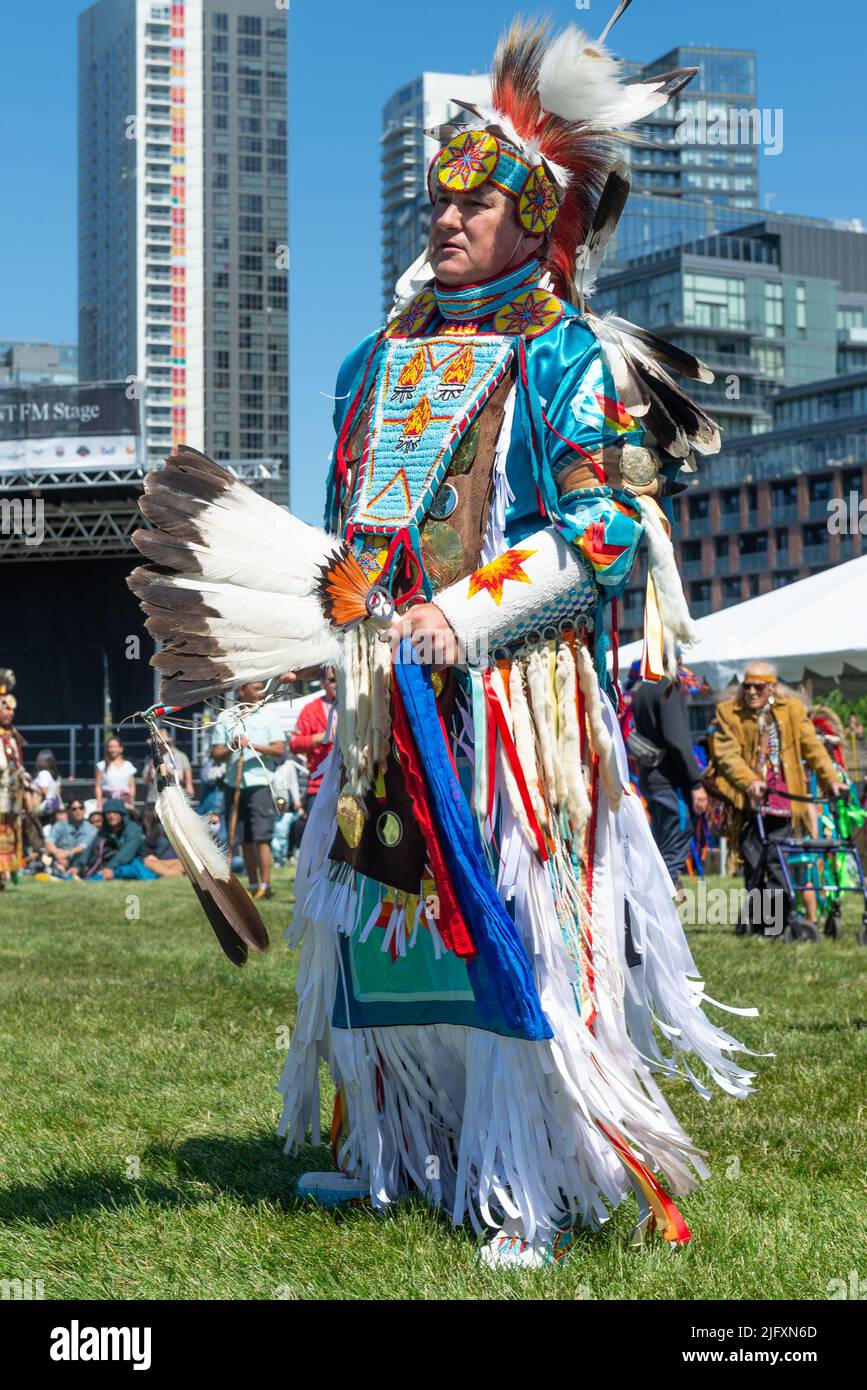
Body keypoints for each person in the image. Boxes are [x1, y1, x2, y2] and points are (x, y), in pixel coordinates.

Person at [127, 10, 757, 1266]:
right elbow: (342, 534)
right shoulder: (374, 362)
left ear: (536, 220)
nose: (448, 217)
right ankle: (396, 1155)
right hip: (380, 702)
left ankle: (527, 1178)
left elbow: (605, 533)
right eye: (439, 199)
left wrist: (462, 615)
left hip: (510, 707)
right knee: (379, 925)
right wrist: (319, 649)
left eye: (480, 202)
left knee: (508, 922)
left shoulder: (566, 356)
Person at [711, 664, 845, 937]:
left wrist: (831, 778)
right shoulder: (728, 712)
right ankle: (758, 922)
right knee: (754, 861)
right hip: (747, 803)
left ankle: (776, 923)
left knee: (776, 861)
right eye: (747, 686)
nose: (750, 692)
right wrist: (749, 781)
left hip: (783, 802)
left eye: (758, 687)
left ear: (771, 687)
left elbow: (813, 747)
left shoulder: (792, 710)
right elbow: (726, 754)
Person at [630, 667, 708, 888]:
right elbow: (678, 741)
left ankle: (658, 905)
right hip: (671, 782)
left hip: (652, 779)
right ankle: (663, 910)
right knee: (673, 847)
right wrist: (695, 781)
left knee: (662, 845)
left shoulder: (643, 688)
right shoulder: (668, 689)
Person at [211, 682, 285, 900]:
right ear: (241, 690)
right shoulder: (225, 717)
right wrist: (232, 745)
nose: (261, 692)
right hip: (234, 783)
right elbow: (216, 753)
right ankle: (252, 885)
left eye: (262, 687)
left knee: (261, 836)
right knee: (243, 837)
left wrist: (251, 745)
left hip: (260, 783)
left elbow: (280, 749)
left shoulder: (268, 716)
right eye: (256, 687)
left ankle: (265, 885)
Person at [289, 669, 337, 818]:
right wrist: (322, 737)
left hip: (355, 787)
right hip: (320, 788)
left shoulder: (357, 706)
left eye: (341, 679)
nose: (338, 684)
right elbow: (294, 744)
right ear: (322, 683)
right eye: (333, 680)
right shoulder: (311, 709)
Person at [76, 798, 151, 880]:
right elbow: (91, 848)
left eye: (115, 812)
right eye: (108, 813)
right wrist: (77, 866)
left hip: (134, 863)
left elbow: (127, 852)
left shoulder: (134, 829)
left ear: (122, 814)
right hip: (111, 864)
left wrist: (110, 867)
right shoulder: (105, 830)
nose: (111, 815)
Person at [0, 672, 26, 886]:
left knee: (10, 830)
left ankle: (8, 872)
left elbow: (15, 763)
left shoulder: (11, 734)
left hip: (11, 792)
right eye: (5, 708)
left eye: (11, 709)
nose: (9, 713)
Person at [45, 799, 97, 873]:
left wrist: (66, 854)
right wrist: (57, 853)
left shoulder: (91, 829)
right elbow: (49, 842)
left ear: (84, 810)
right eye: (74, 809)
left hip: (80, 861)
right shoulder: (59, 825)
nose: (78, 811)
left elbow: (83, 847)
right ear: (69, 812)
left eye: (81, 808)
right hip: (61, 859)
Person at [142, 728, 193, 803]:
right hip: (154, 798)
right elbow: (145, 781)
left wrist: (164, 767)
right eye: (157, 744)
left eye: (161, 744)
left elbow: (179, 777)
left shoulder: (175, 756)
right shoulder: (150, 758)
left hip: (172, 797)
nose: (159, 746)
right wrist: (151, 767)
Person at [95, 736, 137, 809]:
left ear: (121, 748)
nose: (112, 749)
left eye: (114, 747)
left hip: (125, 803)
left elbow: (132, 786)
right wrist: (99, 805)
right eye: (110, 747)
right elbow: (98, 786)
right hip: (107, 802)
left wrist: (131, 803)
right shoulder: (102, 765)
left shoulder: (128, 765)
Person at [33, 750, 63, 821]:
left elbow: (45, 791)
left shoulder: (43, 773)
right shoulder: (56, 775)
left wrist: (32, 787)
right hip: (54, 804)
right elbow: (59, 792)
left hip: (44, 806)